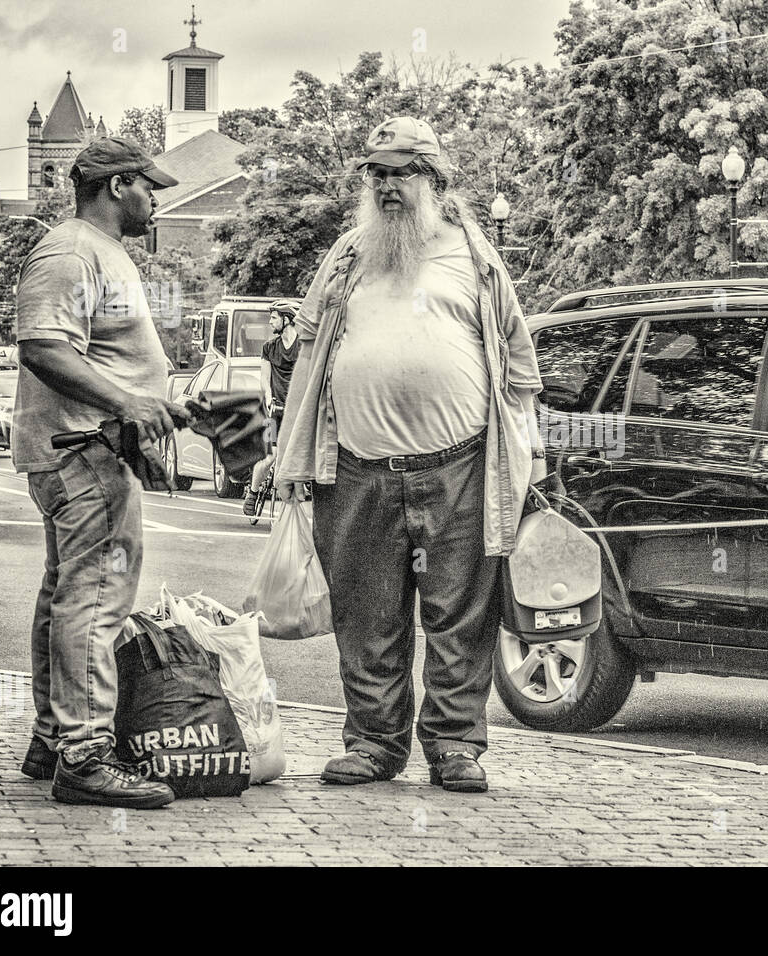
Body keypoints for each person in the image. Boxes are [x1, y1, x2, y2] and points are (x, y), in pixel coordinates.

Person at [274, 116, 545, 793]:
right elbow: (307, 351)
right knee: (366, 613)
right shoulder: (346, 255)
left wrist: (529, 452)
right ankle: (372, 744)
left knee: (460, 615)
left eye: (402, 173)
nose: (387, 185)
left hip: (458, 464)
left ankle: (455, 746)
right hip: (357, 465)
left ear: (435, 182)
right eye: (377, 174)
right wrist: (285, 455)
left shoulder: (476, 258)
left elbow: (516, 361)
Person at [13, 136, 190, 808]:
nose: (155, 198)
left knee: (67, 591)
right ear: (119, 185)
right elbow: (42, 346)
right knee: (94, 597)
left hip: (88, 445)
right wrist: (127, 403)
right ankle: (84, 756)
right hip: (82, 448)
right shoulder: (70, 250)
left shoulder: (97, 251)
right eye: (150, 185)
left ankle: (53, 738)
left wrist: (156, 403)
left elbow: (99, 356)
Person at [244, 299, 301, 515]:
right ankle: (254, 492)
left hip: (297, 412)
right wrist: (268, 398)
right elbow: (264, 379)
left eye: (274, 317)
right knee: (269, 457)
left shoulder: (304, 346)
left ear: (287, 320)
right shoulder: (269, 348)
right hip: (274, 411)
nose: (270, 321)